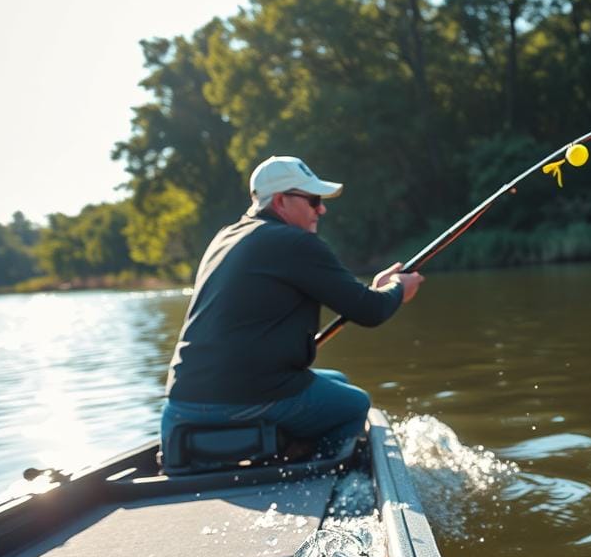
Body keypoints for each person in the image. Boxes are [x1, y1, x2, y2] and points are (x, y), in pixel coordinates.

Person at [160, 155, 423, 464]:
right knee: (355, 404)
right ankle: (325, 476)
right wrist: (398, 290)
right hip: (241, 399)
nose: (321, 209)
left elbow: (360, 300)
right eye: (313, 200)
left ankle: (291, 450)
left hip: (180, 403)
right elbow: (370, 311)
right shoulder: (294, 242)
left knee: (337, 379)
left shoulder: (226, 237)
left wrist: (379, 289)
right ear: (282, 201)